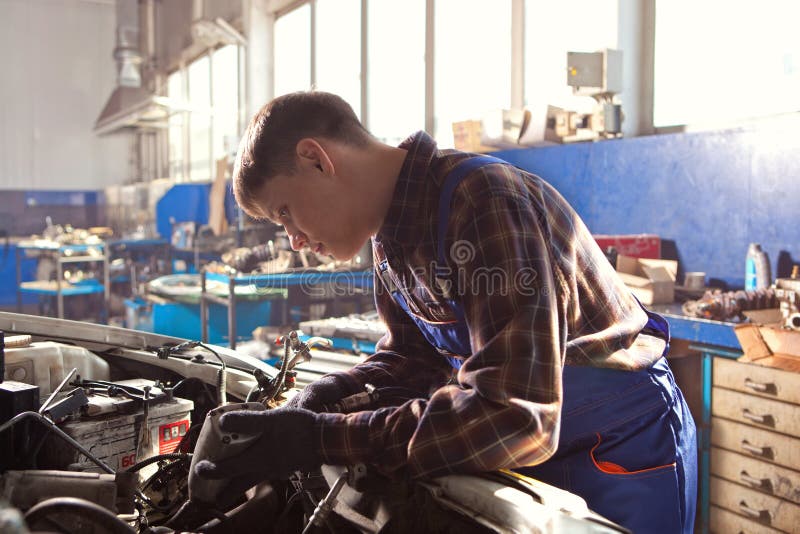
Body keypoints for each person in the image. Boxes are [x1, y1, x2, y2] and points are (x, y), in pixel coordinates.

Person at [194, 91, 697, 533]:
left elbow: (515, 417)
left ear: (317, 160)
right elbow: (412, 361)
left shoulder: (483, 201)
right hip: (533, 447)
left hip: (613, 445)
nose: (295, 241)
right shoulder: (389, 237)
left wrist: (319, 439)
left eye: (285, 214)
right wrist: (321, 396)